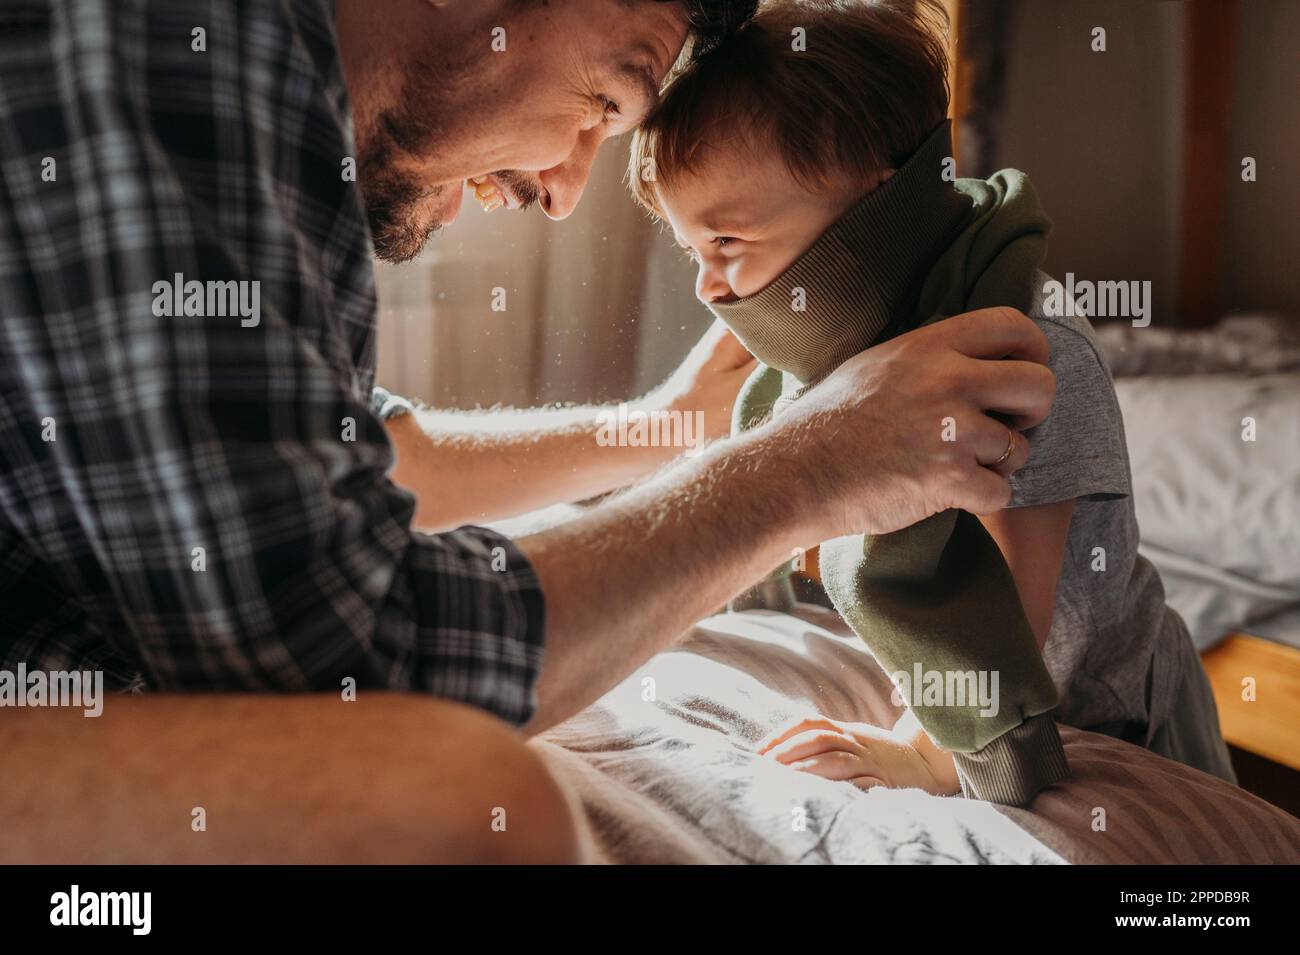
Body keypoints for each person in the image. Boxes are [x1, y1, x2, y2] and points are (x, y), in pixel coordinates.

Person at [0, 0, 1054, 862]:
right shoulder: (183, 51)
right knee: (468, 797)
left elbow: (350, 465)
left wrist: (662, 430)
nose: (561, 193)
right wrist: (808, 468)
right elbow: (349, 666)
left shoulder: (264, 93)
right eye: (605, 96)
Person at [629, 0, 1235, 804]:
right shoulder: (833, 344)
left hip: (1108, 706)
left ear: (877, 211)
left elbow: (1028, 627)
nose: (708, 284)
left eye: (729, 243)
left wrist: (925, 757)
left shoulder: (1029, 357)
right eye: (690, 251)